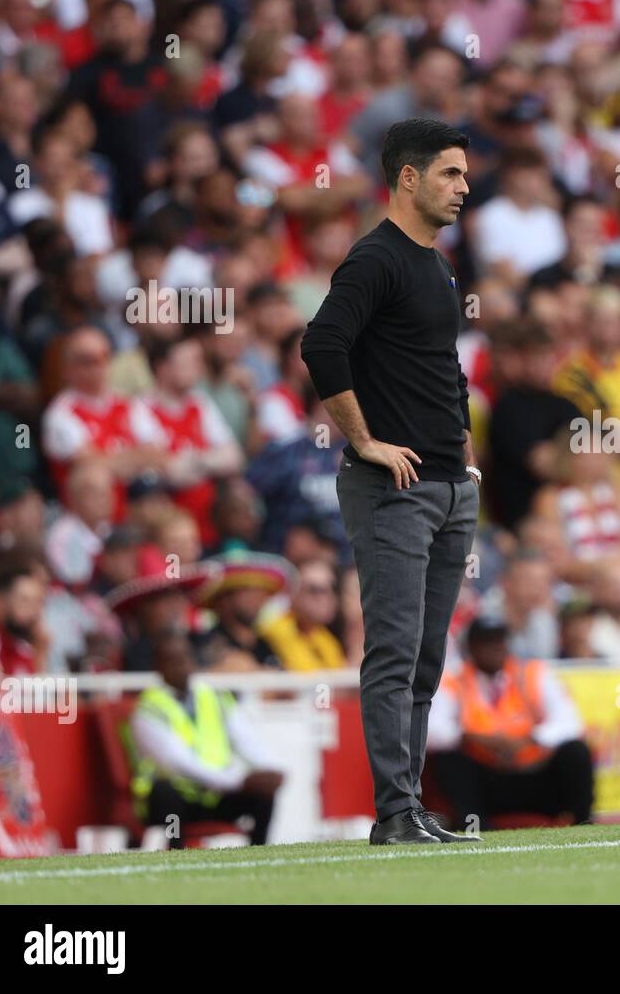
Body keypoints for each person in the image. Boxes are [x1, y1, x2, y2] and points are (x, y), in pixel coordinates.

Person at [300, 118, 481, 846]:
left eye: (464, 175)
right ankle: (394, 812)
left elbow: (443, 365)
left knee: (427, 660)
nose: (464, 187)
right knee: (395, 651)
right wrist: (365, 441)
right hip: (394, 491)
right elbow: (322, 343)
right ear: (408, 178)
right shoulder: (374, 259)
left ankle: (408, 807)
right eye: (450, 174)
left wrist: (465, 454)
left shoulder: (436, 264)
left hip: (447, 485)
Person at [427, 614, 594, 830]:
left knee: (576, 751)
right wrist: (472, 738)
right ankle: (475, 826)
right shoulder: (454, 681)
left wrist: (531, 739)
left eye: (500, 640)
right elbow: (431, 732)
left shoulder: (533, 673)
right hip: (487, 778)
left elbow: (571, 722)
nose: (495, 647)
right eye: (486, 642)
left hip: (533, 773)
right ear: (471, 647)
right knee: (449, 759)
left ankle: (583, 823)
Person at [128, 626, 285, 848]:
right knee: (166, 793)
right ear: (158, 667)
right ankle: (175, 854)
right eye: (172, 660)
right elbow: (178, 763)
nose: (181, 666)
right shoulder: (149, 709)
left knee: (263, 792)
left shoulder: (212, 696)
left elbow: (246, 739)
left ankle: (258, 853)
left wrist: (271, 769)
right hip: (175, 801)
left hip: (213, 795)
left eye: (185, 658)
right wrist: (238, 781)